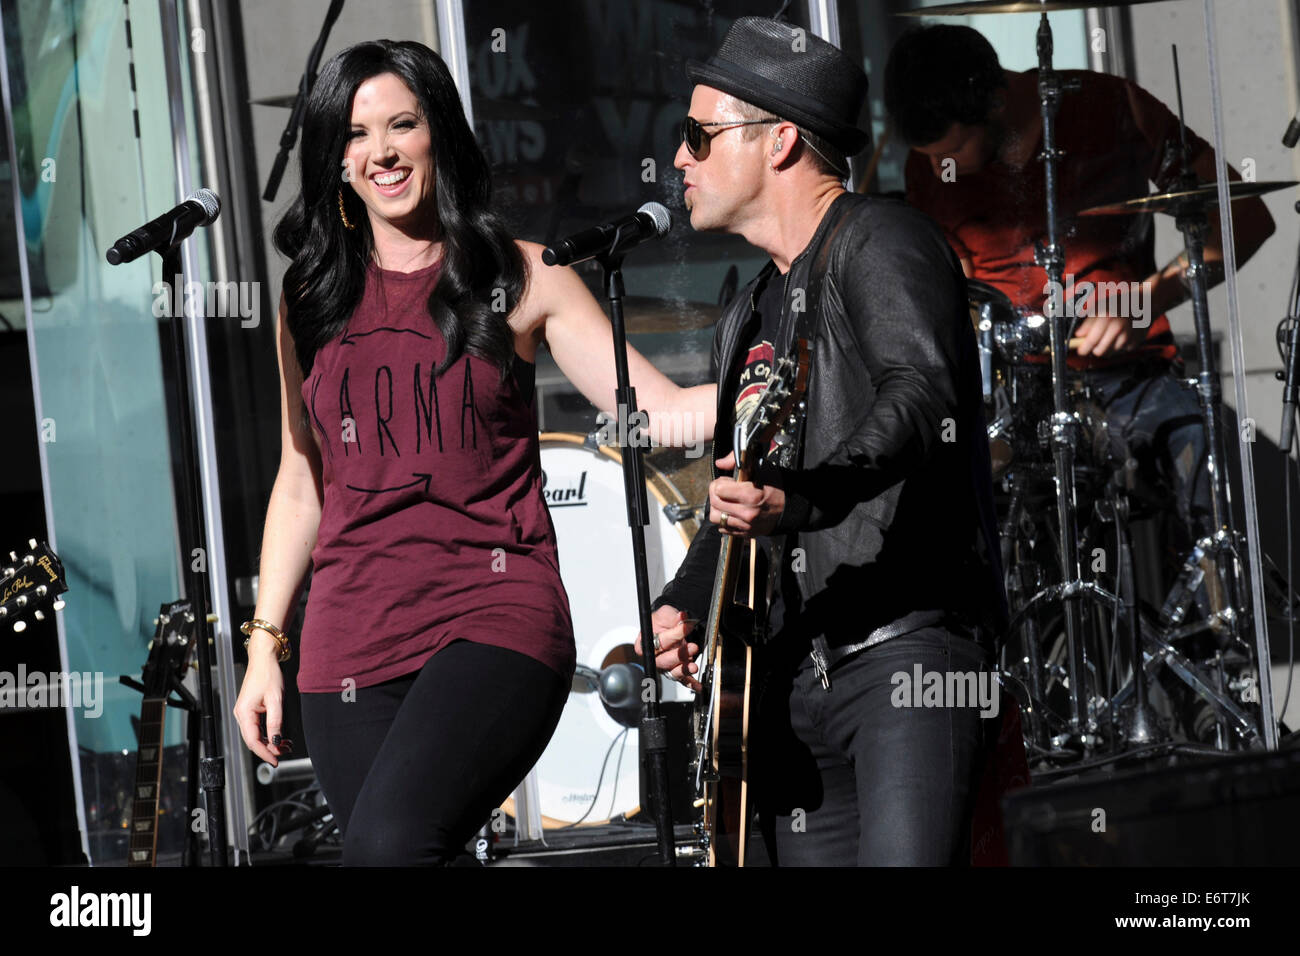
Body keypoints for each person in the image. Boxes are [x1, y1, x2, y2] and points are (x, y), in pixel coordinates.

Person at [232, 39, 714, 866]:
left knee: (388, 847)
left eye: (402, 125)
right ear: (335, 157)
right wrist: (264, 646)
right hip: (348, 640)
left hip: (494, 615)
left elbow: (657, 409)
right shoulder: (308, 299)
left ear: (439, 135)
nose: (380, 151)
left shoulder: (521, 276)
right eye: (355, 134)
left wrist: (762, 389)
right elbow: (301, 479)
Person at [640, 17, 1008, 866]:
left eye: (699, 134)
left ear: (781, 141)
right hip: (791, 676)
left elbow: (920, 395)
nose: (681, 160)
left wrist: (805, 497)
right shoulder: (747, 311)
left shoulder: (881, 239)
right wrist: (686, 600)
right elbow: (745, 494)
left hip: (902, 657)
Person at [884, 23, 1275, 563]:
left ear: (996, 102)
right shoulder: (933, 168)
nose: (935, 168)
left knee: (1204, 440)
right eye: (926, 156)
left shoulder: (1111, 110)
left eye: (952, 150)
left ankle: (1212, 626)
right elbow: (956, 290)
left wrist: (1146, 304)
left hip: (1123, 376)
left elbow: (1244, 217)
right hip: (1008, 390)